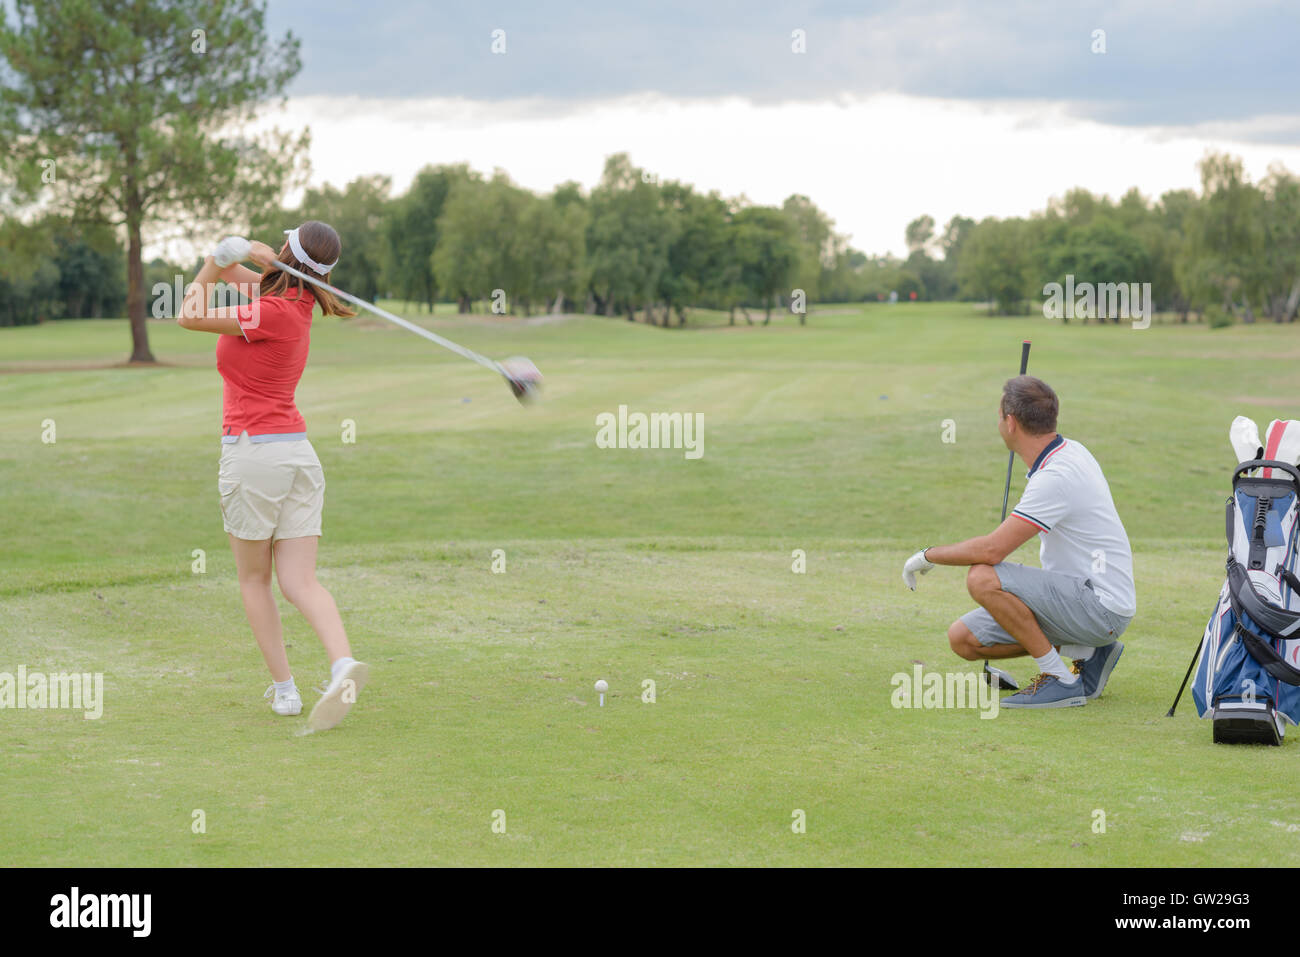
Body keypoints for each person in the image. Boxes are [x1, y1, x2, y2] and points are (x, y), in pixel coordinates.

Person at [177, 222, 368, 730]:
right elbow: (239, 276)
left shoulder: (269, 311)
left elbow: (188, 315)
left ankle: (286, 691)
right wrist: (230, 258)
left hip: (253, 456)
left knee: (254, 578)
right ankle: (342, 662)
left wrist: (220, 261)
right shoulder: (295, 303)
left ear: (287, 252)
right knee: (300, 580)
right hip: (297, 456)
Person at [901, 375, 1136, 708]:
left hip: (1099, 606)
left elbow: (992, 550)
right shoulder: (1069, 452)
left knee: (983, 577)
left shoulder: (1056, 476)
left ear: (1010, 423)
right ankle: (1088, 651)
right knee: (963, 640)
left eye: (999, 416)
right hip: (1084, 602)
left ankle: (1060, 679)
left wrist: (928, 556)